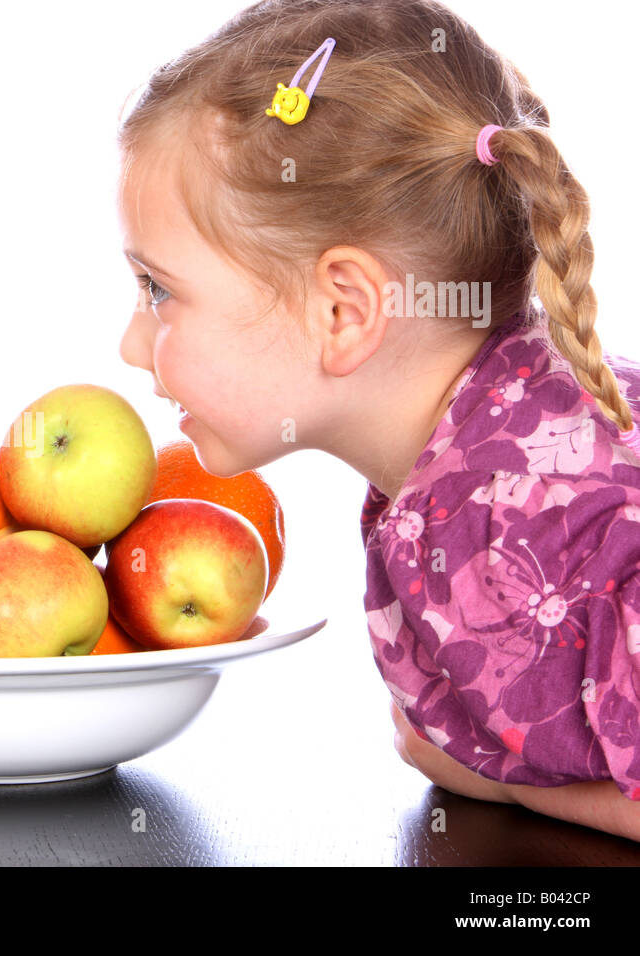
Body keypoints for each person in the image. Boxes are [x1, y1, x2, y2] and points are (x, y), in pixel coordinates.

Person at [116, 0, 640, 841]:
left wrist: (511, 790)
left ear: (343, 310)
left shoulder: (532, 525)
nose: (132, 344)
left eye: (160, 291)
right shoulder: (488, 459)